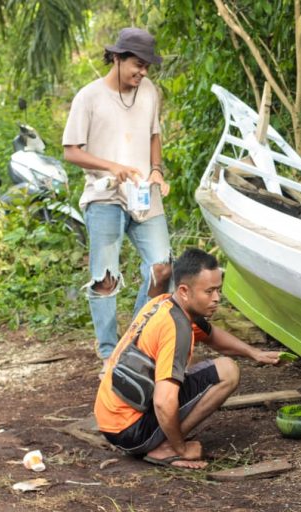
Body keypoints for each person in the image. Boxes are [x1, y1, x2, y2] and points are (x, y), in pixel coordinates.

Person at [94, 248, 282, 469]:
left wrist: (254, 353)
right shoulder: (177, 328)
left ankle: (164, 441)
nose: (216, 298)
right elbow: (163, 402)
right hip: (131, 432)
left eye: (218, 290)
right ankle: (167, 448)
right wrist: (181, 448)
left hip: (110, 419)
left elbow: (211, 335)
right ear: (184, 291)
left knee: (200, 364)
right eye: (209, 292)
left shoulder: (163, 303)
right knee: (228, 371)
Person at [62, 27, 173, 364]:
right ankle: (109, 354)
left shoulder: (149, 91)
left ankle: (132, 344)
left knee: (162, 268)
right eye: (138, 64)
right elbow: (71, 151)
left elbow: (154, 134)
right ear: (117, 58)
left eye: (147, 67)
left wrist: (156, 169)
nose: (143, 72)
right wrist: (112, 167)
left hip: (144, 194)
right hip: (105, 196)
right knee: (105, 279)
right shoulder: (89, 97)